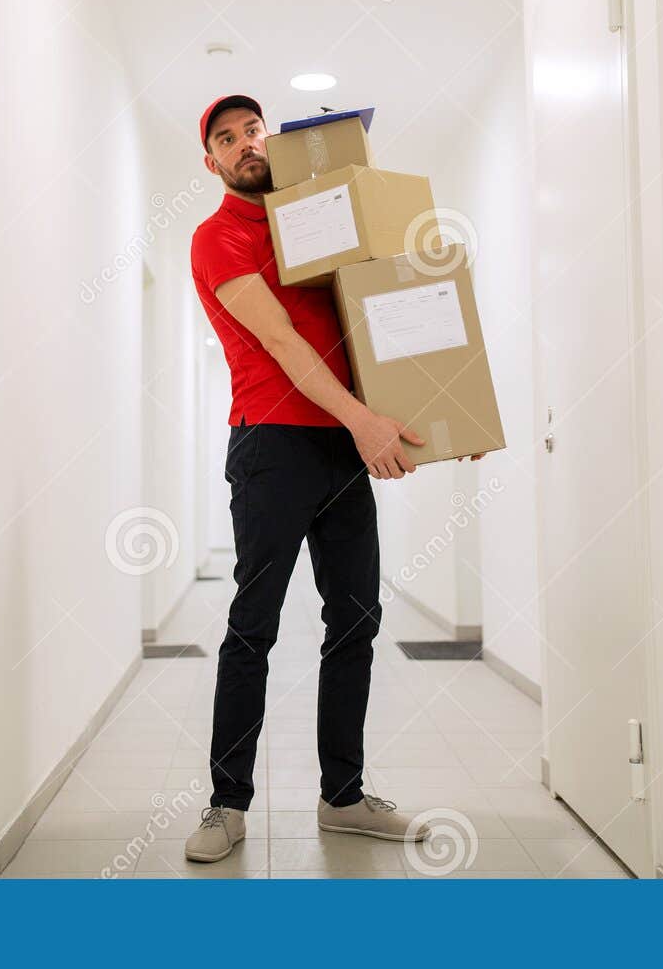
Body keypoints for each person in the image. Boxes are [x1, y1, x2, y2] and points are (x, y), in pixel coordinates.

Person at [183, 94, 482, 863]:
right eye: (227, 138)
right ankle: (227, 803)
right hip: (273, 444)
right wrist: (362, 419)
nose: (246, 143)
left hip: (344, 442)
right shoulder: (217, 238)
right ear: (210, 161)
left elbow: (385, 310)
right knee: (255, 624)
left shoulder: (315, 223)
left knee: (355, 619)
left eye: (254, 130)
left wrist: (445, 413)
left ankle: (342, 796)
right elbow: (280, 340)